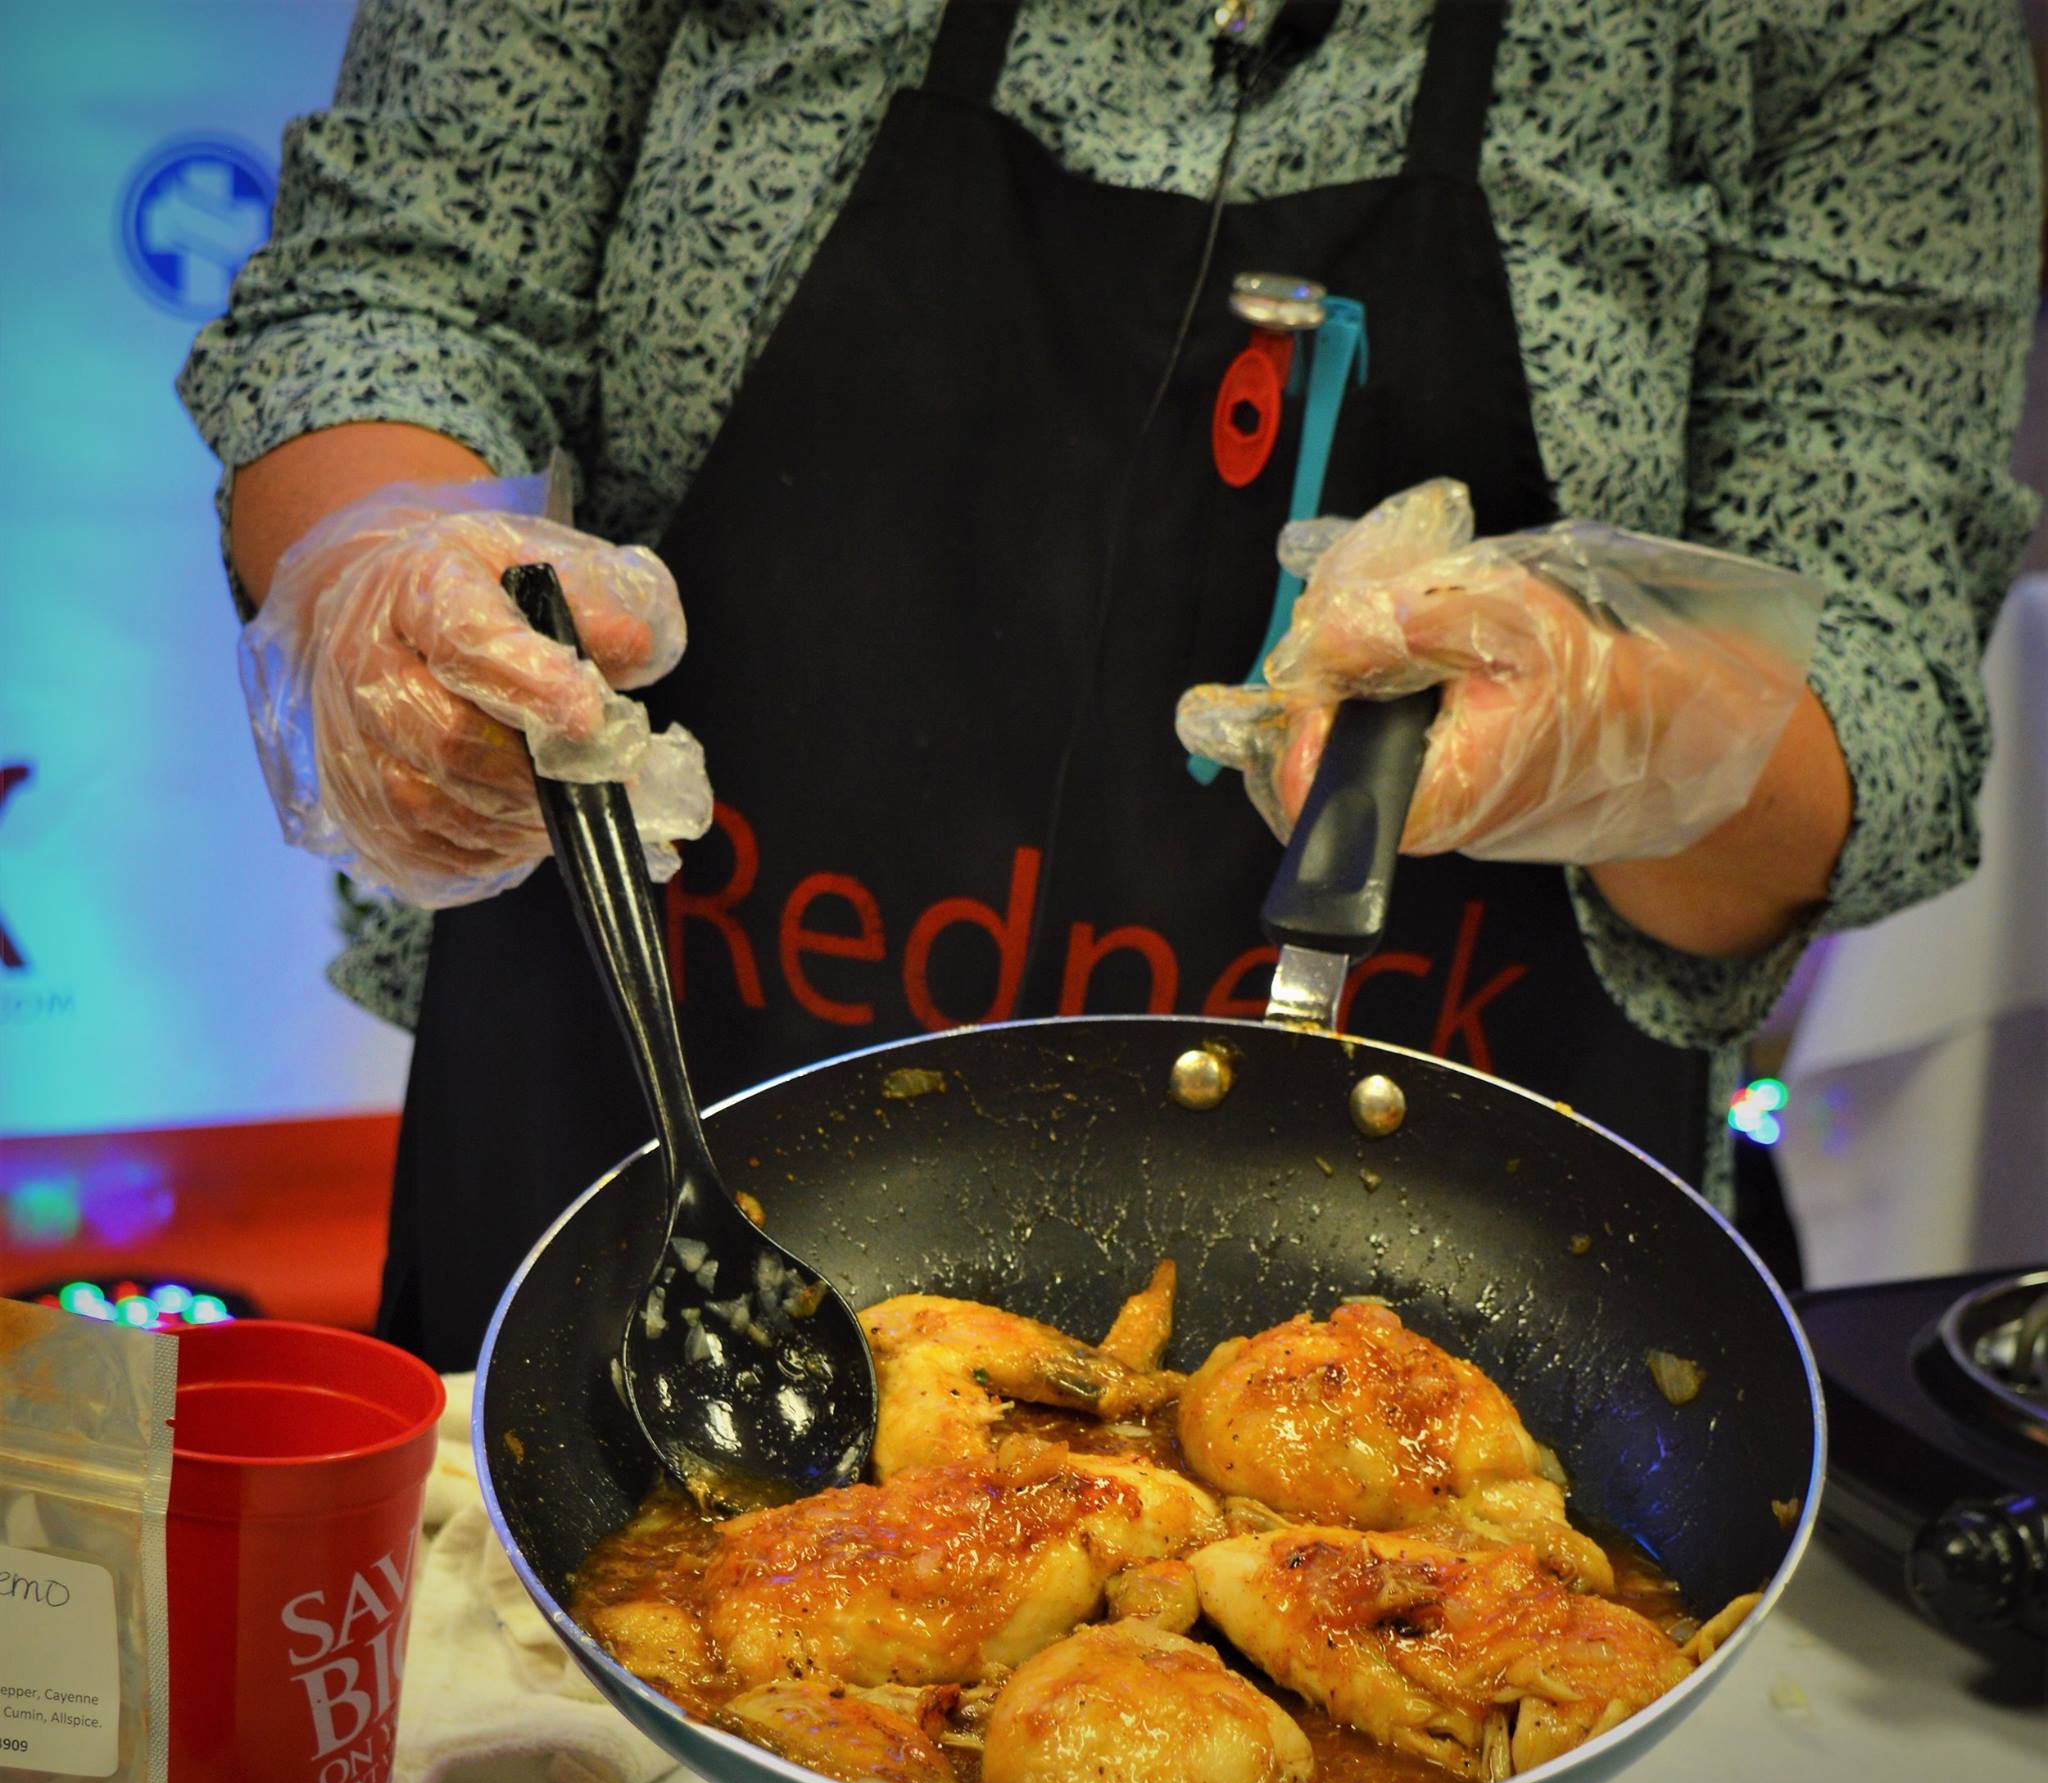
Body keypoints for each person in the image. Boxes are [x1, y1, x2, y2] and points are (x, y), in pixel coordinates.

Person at [181, 0, 2039, 1372]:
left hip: (1450, 1375)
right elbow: (397, 290)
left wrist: (1631, 731)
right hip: (653, 1268)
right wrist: (387, 570)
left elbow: (1878, 681)